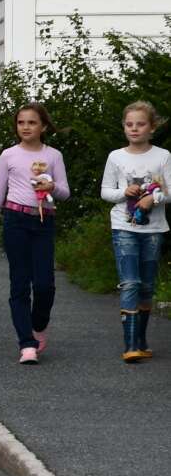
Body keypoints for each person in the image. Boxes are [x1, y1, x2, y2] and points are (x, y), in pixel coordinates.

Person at [0, 103, 69, 364]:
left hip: (43, 221)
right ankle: (26, 343)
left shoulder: (53, 155)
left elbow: (65, 192)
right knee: (19, 283)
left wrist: (52, 186)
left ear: (43, 126)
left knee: (44, 284)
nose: (26, 127)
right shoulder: (9, 155)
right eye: (21, 123)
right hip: (15, 220)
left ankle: (39, 324)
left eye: (32, 122)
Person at [101, 101, 170, 361]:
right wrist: (124, 192)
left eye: (140, 124)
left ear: (152, 127)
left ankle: (141, 340)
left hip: (153, 229)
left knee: (147, 286)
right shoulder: (116, 157)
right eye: (129, 124)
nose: (134, 128)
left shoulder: (163, 156)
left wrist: (154, 198)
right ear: (124, 127)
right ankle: (130, 345)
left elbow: (169, 191)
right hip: (124, 226)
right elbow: (105, 192)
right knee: (130, 282)